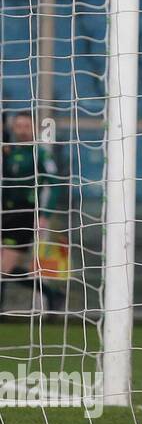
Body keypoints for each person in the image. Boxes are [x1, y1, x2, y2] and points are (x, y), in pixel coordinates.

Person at [1, 111, 66, 312]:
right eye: (19, 126)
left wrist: (44, 215)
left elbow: (54, 184)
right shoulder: (7, 152)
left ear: (35, 129)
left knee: (4, 269)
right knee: (4, 269)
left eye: (26, 126)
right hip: (4, 213)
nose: (22, 131)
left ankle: (49, 294)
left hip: (24, 215)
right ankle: (51, 293)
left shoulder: (41, 154)